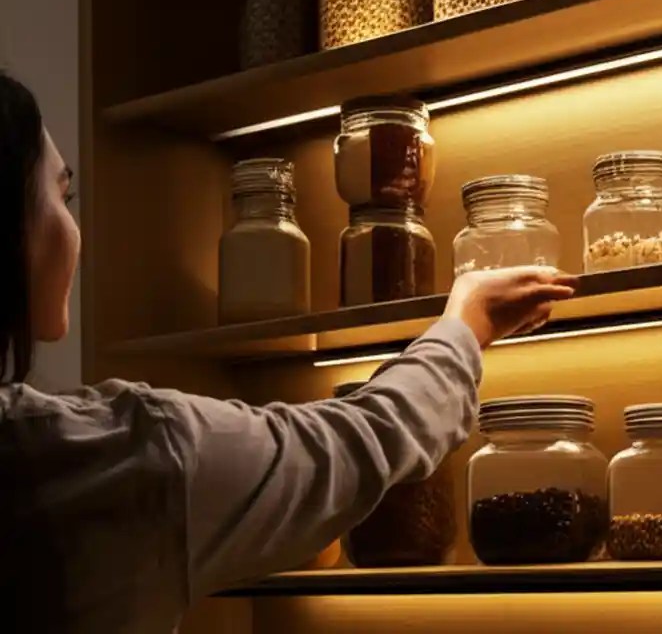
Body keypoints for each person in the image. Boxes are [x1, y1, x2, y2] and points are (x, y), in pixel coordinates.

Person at [0, 71, 579, 633]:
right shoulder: (120, 460)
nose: (74, 227)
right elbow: (360, 438)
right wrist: (467, 320)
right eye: (62, 195)